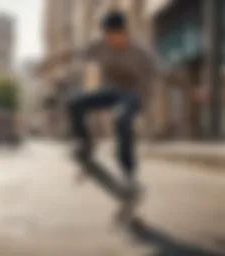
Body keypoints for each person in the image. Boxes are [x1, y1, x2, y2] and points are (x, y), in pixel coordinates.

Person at [67, 10, 160, 222]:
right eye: (108, 34)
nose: (112, 39)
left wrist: (190, 88)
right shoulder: (98, 45)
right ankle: (84, 144)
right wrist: (53, 66)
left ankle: (127, 173)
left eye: (116, 34)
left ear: (125, 32)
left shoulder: (141, 53)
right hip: (111, 93)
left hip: (134, 97)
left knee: (121, 118)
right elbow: (75, 55)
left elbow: (162, 74)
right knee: (74, 103)